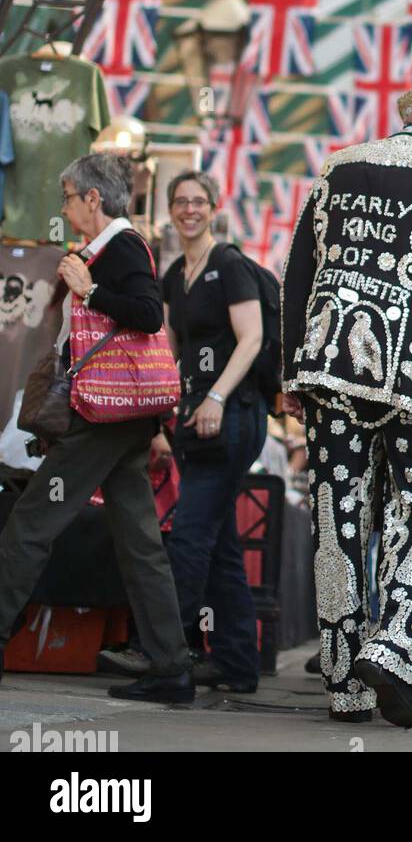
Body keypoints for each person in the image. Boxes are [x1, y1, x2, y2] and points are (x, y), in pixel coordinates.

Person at [282, 76, 412, 729]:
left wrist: (291, 369)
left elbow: (299, 271)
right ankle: (397, 649)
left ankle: (345, 682)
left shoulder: (337, 166)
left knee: (338, 523)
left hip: (330, 369)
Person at [0, 153, 193, 703]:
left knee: (30, 524)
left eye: (67, 196)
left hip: (106, 415)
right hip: (125, 417)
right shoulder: (113, 246)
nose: (62, 207)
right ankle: (171, 665)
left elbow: (147, 313)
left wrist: (88, 289)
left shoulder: (122, 246)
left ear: (93, 198)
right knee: (139, 542)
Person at [160, 171, 266, 694]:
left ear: (214, 206)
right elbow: (170, 353)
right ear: (170, 209)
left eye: (198, 201)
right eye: (180, 202)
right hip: (194, 423)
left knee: (189, 538)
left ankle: (165, 661)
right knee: (220, 546)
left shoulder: (227, 264)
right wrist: (163, 416)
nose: (189, 210)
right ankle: (237, 663)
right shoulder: (175, 273)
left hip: (234, 417)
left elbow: (251, 339)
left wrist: (216, 397)